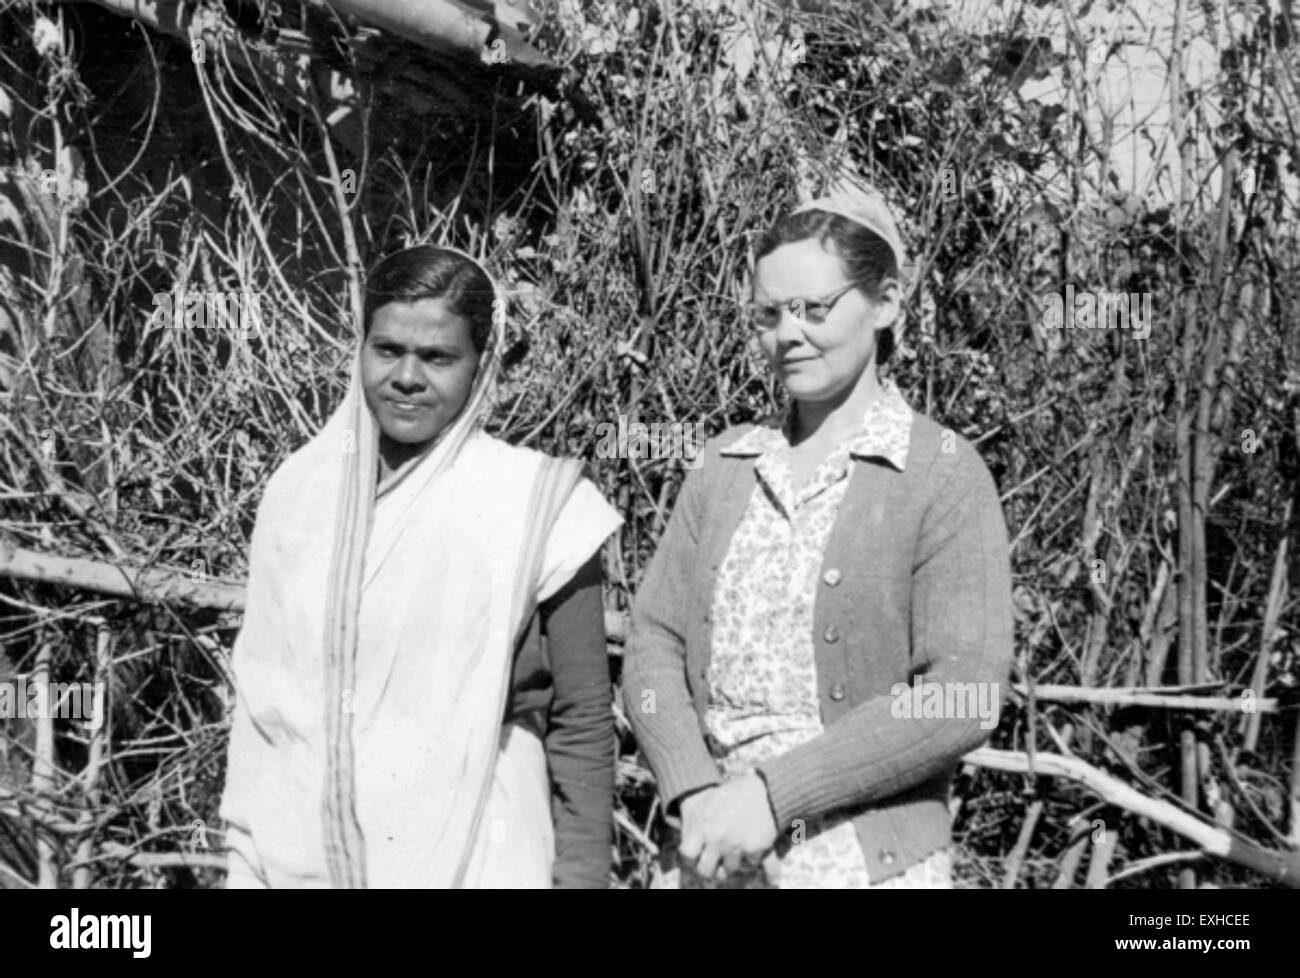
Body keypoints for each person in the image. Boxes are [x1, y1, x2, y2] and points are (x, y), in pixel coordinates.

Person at [622, 177, 1014, 888]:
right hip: (711, 854)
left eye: (814, 308)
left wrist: (774, 797)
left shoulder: (941, 475)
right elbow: (653, 642)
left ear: (887, 302)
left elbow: (963, 692)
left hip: (866, 865)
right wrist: (694, 790)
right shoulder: (724, 466)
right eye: (769, 313)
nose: (788, 334)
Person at [219, 244, 622, 888]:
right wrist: (244, 858)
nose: (408, 377)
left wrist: (580, 878)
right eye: (388, 350)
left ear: (482, 366)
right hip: (299, 851)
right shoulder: (299, 496)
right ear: (361, 350)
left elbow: (582, 722)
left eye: (438, 357)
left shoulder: (535, 504)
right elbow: (262, 702)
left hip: (482, 852)